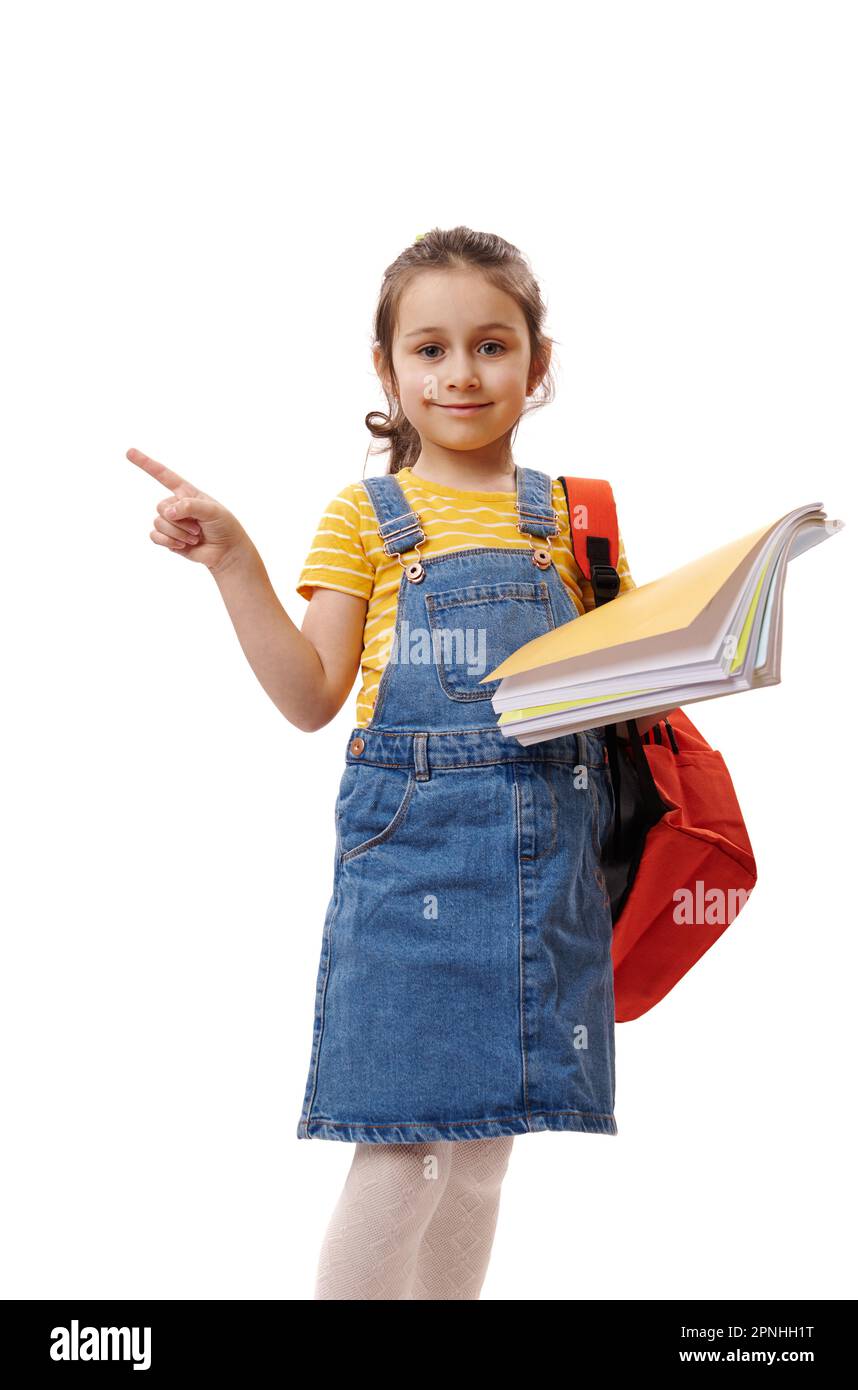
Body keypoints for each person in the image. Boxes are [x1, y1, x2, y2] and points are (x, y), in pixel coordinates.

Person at [127, 225, 663, 1301]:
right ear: (388, 369)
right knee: (404, 1149)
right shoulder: (365, 518)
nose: (461, 372)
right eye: (429, 349)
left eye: (492, 345)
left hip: (543, 855)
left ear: (538, 364)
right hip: (413, 854)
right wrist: (236, 563)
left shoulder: (575, 517)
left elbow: (621, 691)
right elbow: (311, 697)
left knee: (482, 1154)